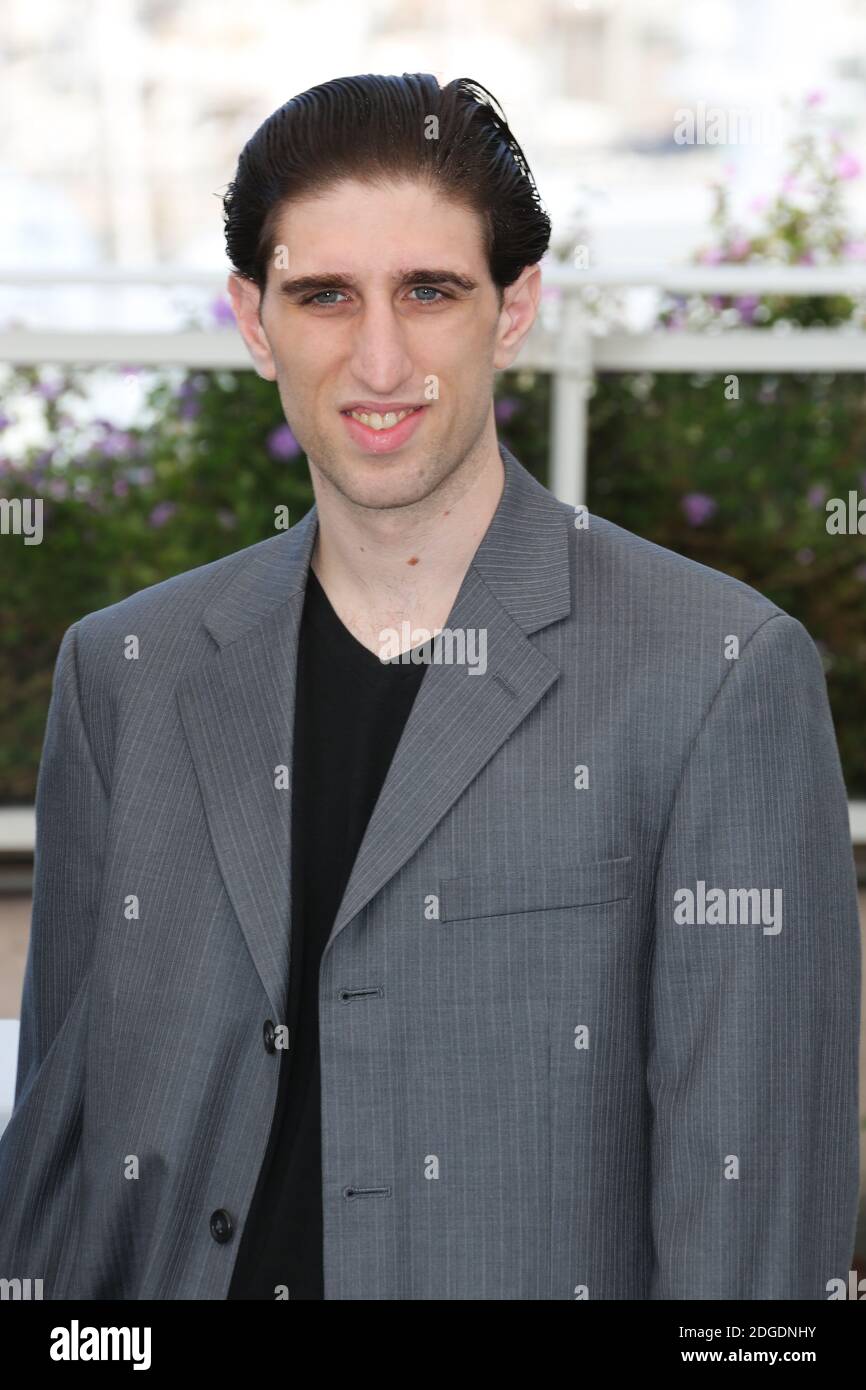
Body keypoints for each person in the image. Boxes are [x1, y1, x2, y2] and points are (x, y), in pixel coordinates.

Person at [0, 73, 859, 1301]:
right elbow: (56, 1172)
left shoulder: (717, 676)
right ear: (253, 321)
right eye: (324, 296)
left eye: (430, 290)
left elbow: (754, 1236)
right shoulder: (122, 676)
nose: (380, 357)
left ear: (514, 311)